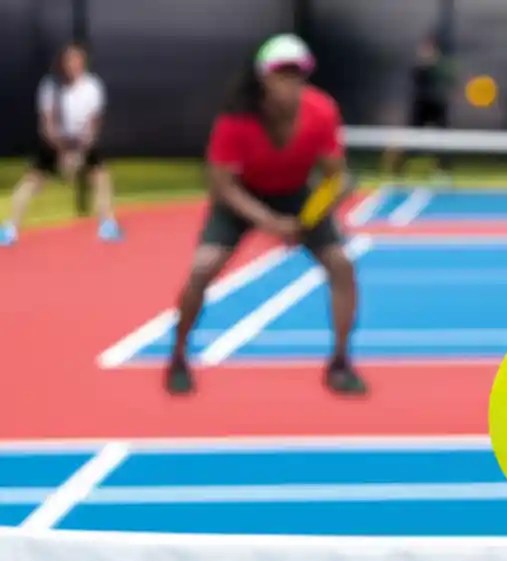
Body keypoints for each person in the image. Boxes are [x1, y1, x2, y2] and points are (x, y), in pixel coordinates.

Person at [165, 34, 366, 396]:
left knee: (341, 265)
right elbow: (222, 186)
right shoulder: (236, 118)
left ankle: (340, 361)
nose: (289, 82)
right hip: (243, 195)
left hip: (296, 192)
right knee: (203, 268)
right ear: (263, 78)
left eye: (296, 74)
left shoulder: (321, 111)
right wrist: (269, 222)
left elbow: (334, 176)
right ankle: (178, 355)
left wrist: (312, 214)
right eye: (280, 73)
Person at [1, 42, 121, 246]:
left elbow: (94, 123)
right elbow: (47, 123)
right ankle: (9, 229)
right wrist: (62, 151)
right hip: (55, 142)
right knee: (31, 181)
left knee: (102, 177)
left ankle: (108, 226)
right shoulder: (49, 86)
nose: (72, 65)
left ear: (83, 63)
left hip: (82, 141)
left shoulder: (93, 86)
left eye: (77, 61)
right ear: (62, 63)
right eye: (69, 61)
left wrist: (80, 151)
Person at [381, 33, 452, 181]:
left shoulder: (441, 69)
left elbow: (448, 82)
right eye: (425, 49)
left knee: (441, 141)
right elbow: (416, 82)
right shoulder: (418, 69)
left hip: (437, 108)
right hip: (420, 108)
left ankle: (441, 171)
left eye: (430, 49)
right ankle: (398, 170)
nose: (427, 52)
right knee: (411, 140)